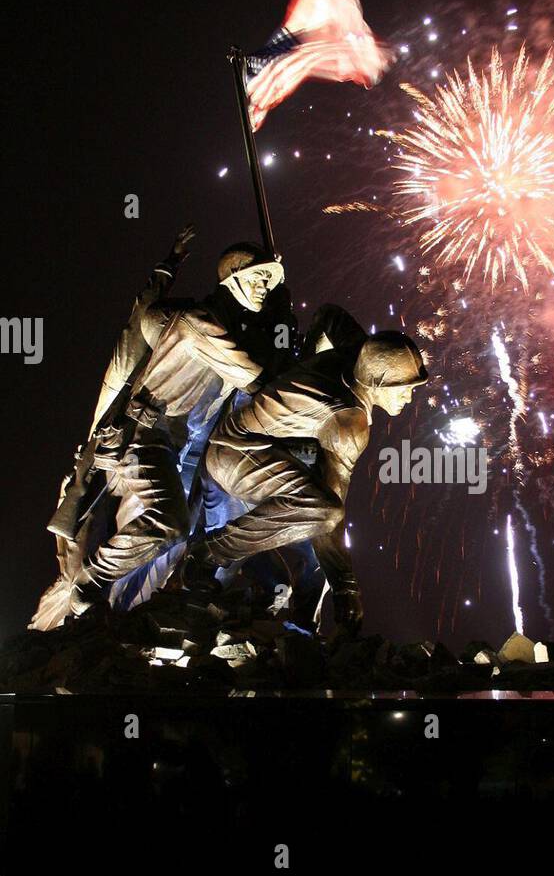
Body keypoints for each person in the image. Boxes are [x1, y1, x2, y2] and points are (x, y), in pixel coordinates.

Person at [65, 239, 285, 615]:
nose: (265, 285)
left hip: (189, 447)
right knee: (164, 523)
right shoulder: (199, 325)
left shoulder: (228, 332)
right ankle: (91, 585)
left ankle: (137, 608)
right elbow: (261, 383)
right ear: (231, 279)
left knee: (181, 539)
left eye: (270, 279)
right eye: (258, 276)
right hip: (149, 438)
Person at [184, 306, 428, 631]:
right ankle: (206, 553)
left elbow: (329, 315)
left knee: (318, 539)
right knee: (324, 512)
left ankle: (299, 627)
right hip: (234, 454)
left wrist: (303, 364)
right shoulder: (349, 423)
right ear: (377, 383)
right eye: (404, 388)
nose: (409, 399)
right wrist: (347, 586)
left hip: (268, 448)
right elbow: (329, 512)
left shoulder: (356, 352)